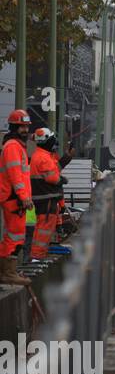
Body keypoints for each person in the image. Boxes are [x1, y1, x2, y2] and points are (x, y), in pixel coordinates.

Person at [0, 110, 35, 285]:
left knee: (15, 236)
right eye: (21, 126)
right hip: (13, 198)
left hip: (16, 198)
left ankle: (9, 271)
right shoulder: (13, 147)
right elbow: (15, 175)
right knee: (14, 236)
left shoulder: (16, 146)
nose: (25, 130)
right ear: (14, 126)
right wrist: (23, 196)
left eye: (26, 126)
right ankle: (7, 273)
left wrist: (25, 196)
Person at [29, 128, 65, 260]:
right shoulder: (44, 158)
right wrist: (62, 180)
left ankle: (36, 256)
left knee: (41, 228)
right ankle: (37, 257)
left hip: (41, 198)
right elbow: (53, 178)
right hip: (47, 198)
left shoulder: (37, 155)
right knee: (44, 230)